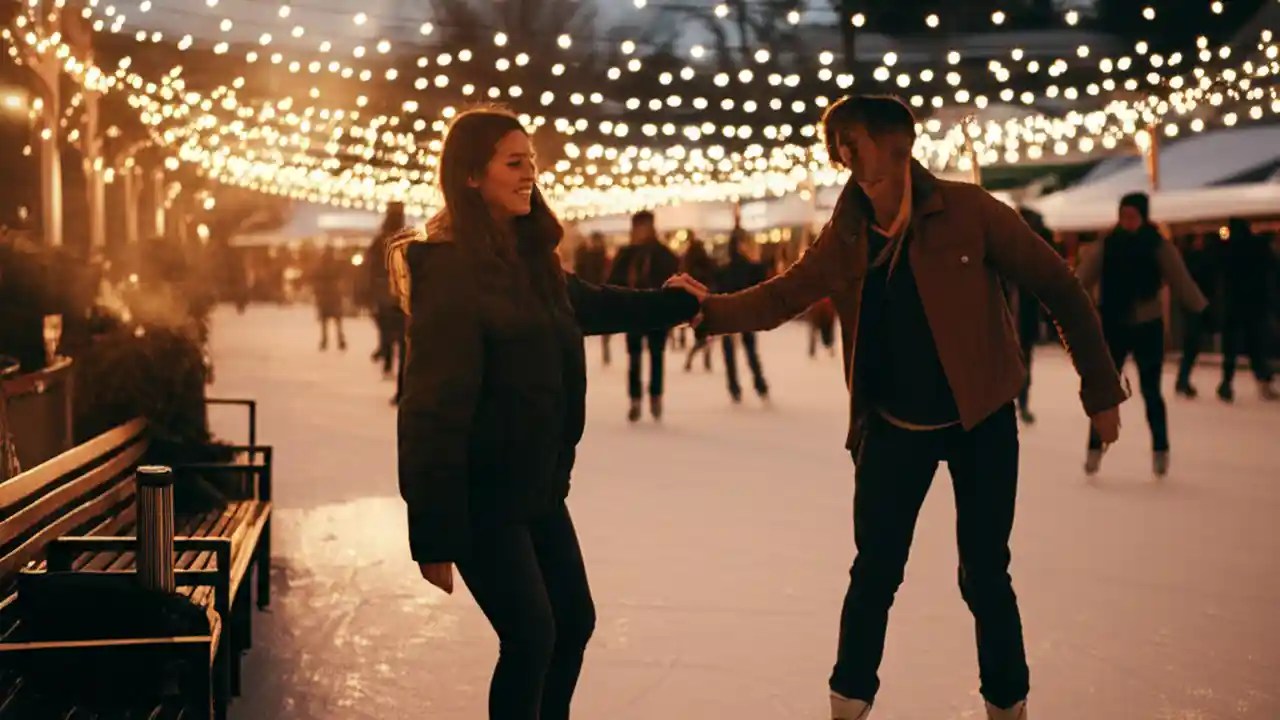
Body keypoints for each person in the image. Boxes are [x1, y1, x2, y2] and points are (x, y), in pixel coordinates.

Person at [667, 95, 1125, 720]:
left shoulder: (970, 211)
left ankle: (1007, 703)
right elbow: (785, 296)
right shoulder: (848, 230)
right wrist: (708, 310)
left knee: (985, 574)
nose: (842, 156)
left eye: (852, 143)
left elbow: (1059, 287)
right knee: (876, 572)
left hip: (981, 418)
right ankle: (849, 702)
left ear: (899, 146)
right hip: (891, 425)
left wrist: (1099, 391)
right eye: (838, 146)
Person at [389, 108, 700, 720]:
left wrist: (673, 305)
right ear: (471, 176)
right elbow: (430, 411)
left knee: (572, 622)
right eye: (513, 161)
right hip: (481, 496)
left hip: (536, 488)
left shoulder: (530, 260)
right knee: (531, 637)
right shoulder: (452, 275)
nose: (529, 172)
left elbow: (593, 303)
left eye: (531, 160)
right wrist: (433, 534)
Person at [1076, 192, 1207, 476]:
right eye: (1123, 216)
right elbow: (1081, 279)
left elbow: (1179, 278)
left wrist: (1200, 307)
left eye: (1133, 216)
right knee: (1105, 393)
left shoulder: (1156, 245)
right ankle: (1094, 448)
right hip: (1113, 325)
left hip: (1147, 326)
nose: (1127, 222)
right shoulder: (1107, 245)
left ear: (1144, 216)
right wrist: (1064, 300)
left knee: (1151, 392)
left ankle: (1161, 450)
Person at [607, 210, 681, 421]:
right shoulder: (626, 254)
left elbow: (674, 279)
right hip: (632, 312)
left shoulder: (663, 254)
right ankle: (635, 399)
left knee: (656, 356)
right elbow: (613, 281)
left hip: (657, 312)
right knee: (635, 358)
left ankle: (655, 397)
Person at [1216, 218, 1277, 401]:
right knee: (1256, 346)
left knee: (1231, 349)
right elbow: (1272, 268)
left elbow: (1221, 273)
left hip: (1234, 305)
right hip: (1255, 304)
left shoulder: (1229, 249)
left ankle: (1226, 384)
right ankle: (1264, 382)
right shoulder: (1259, 247)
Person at [1011, 207, 1055, 425]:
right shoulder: (1004, 250)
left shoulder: (1030, 255)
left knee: (1024, 365)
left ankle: (1022, 403)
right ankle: (1014, 405)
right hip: (1006, 321)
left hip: (1022, 321)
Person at [716, 227, 770, 402]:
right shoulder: (747, 266)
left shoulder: (725, 268)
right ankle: (759, 384)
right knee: (750, 350)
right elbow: (760, 281)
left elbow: (718, 288)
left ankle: (734, 386)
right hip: (745, 311)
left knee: (731, 352)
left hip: (727, 313)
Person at [368, 202, 409, 401]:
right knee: (404, 344)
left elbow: (370, 269)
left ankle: (386, 359)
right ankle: (401, 386)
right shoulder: (409, 239)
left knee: (387, 332)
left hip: (386, 296)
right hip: (403, 298)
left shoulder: (380, 241)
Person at [1174, 232, 1220, 398]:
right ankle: (1183, 380)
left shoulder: (1187, 259)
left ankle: (1183, 379)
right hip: (1195, 305)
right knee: (1192, 344)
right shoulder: (1196, 260)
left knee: (1192, 344)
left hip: (1194, 305)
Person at [572, 231, 613, 366]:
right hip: (591, 290)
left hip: (599, 290)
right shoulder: (588, 256)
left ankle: (605, 347)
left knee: (604, 323)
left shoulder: (600, 257)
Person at [680, 232, 717, 372]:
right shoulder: (705, 263)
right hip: (706, 299)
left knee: (703, 333)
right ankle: (701, 360)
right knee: (707, 333)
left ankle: (698, 360)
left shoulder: (688, 263)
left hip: (693, 302)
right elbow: (713, 277)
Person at [312, 244, 347, 351]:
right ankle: (339, 340)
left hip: (326, 295)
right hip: (333, 295)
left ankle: (325, 341)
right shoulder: (336, 264)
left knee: (325, 321)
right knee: (337, 320)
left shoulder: (321, 265)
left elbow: (315, 278)